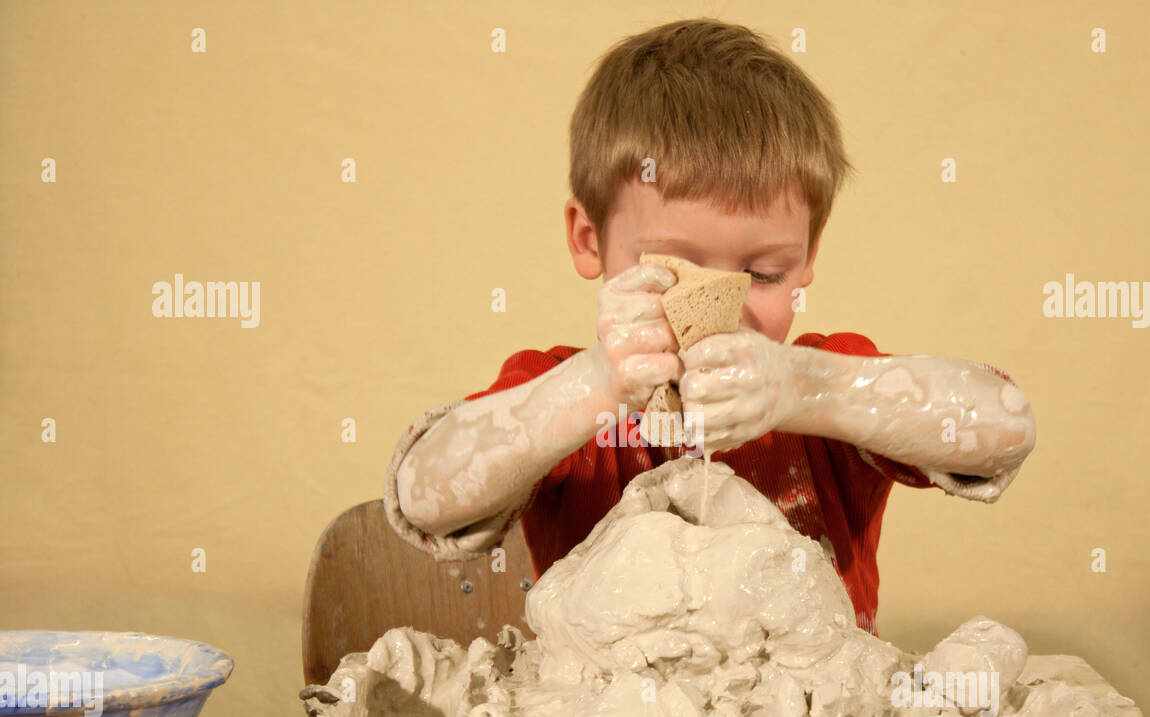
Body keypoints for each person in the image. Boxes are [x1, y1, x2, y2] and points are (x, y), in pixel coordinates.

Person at [383, 18, 1035, 636]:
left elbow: (1005, 427)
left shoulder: (819, 394)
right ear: (588, 241)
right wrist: (594, 386)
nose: (722, 310)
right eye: (673, 270)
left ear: (808, 256)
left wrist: (810, 388)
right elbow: (423, 496)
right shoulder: (566, 395)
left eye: (764, 273)